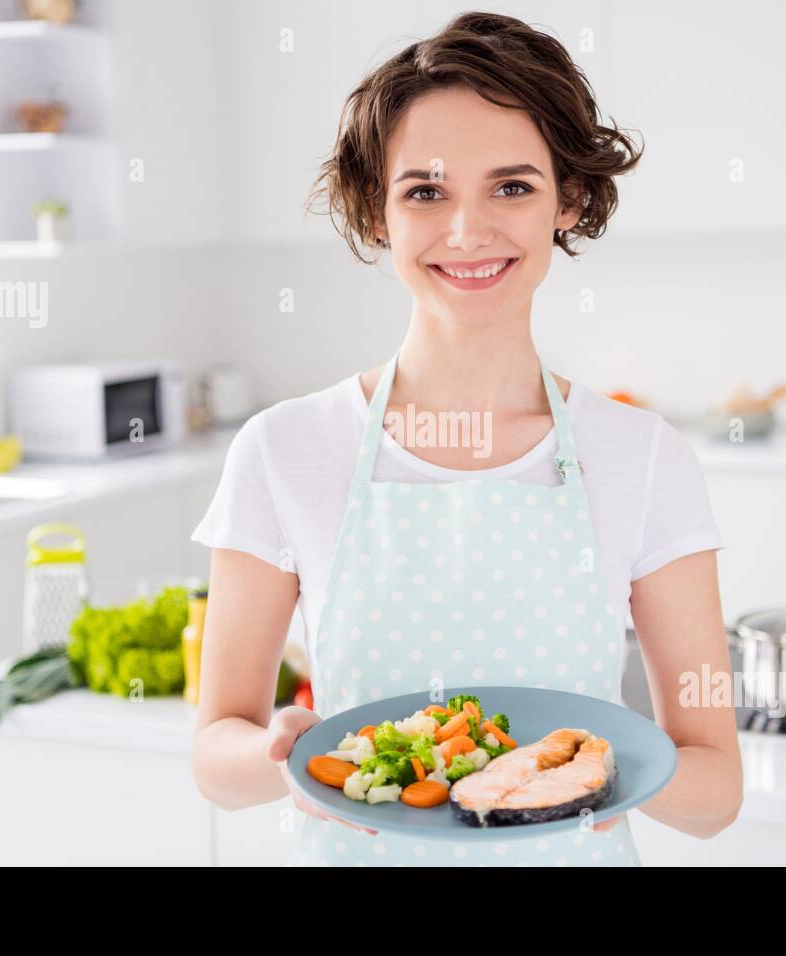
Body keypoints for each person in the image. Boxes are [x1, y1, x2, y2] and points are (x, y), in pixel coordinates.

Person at [192, 11, 742, 866]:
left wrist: (602, 766)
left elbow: (715, 793)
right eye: (426, 191)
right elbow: (216, 757)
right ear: (376, 213)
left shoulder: (642, 457)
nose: (467, 230)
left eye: (513, 187)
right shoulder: (285, 450)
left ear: (572, 198)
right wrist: (276, 751)